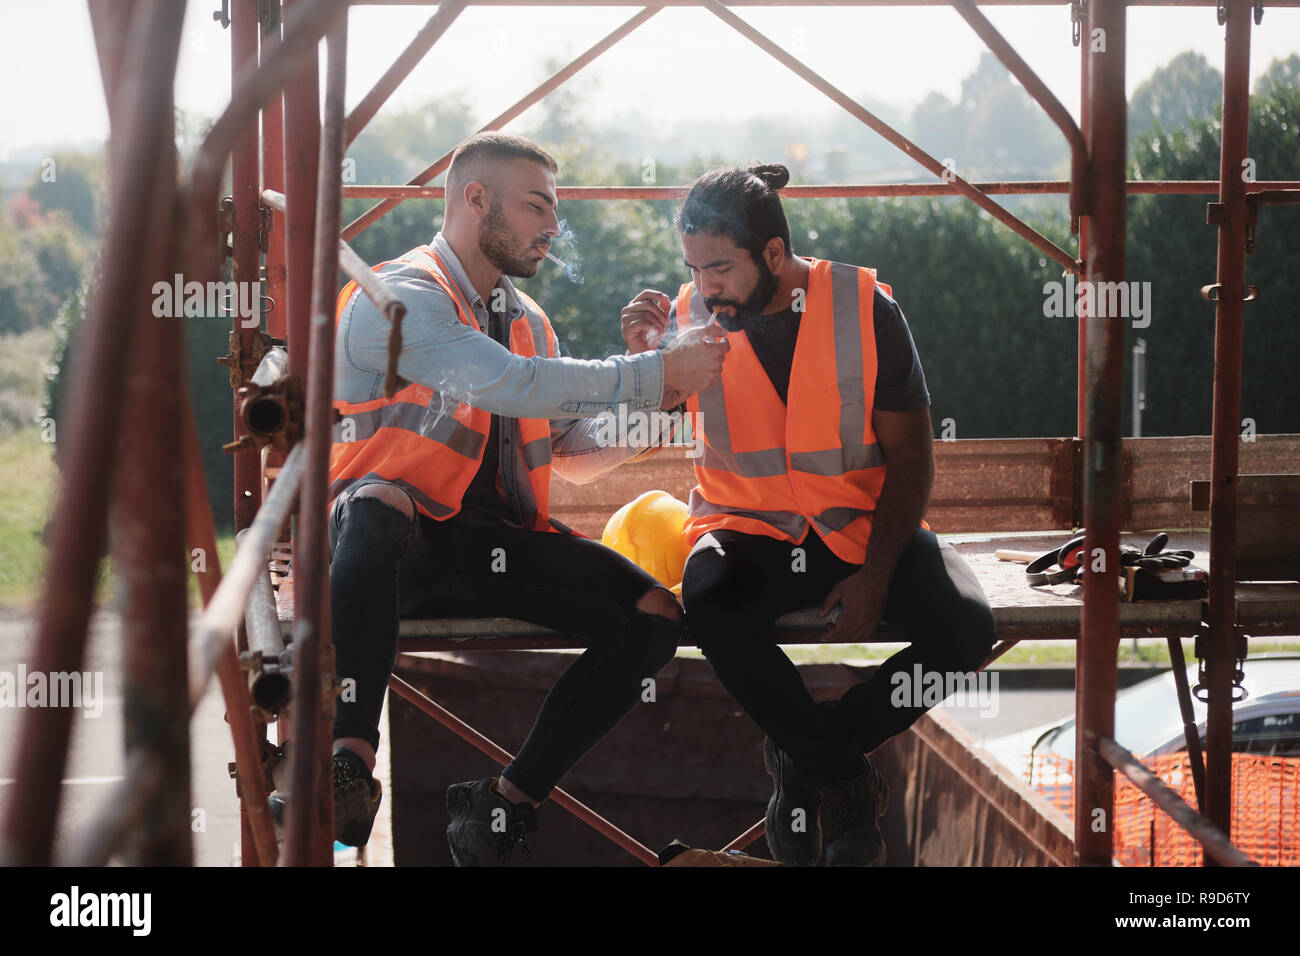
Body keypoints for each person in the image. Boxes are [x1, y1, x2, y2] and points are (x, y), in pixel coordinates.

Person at [270, 132, 729, 865]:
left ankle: (505, 803)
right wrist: (646, 370)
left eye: (555, 210)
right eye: (537, 206)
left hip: (491, 551)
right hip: (387, 554)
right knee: (380, 498)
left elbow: (575, 456)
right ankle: (351, 758)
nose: (553, 227)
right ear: (474, 200)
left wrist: (668, 388)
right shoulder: (400, 297)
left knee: (652, 617)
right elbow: (505, 382)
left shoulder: (528, 320)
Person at [658, 163, 997, 866]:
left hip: (859, 529)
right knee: (710, 610)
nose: (705, 286)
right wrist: (648, 362)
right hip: (746, 531)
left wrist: (876, 575)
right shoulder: (687, 316)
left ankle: (808, 747)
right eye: (693, 268)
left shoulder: (866, 309)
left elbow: (911, 458)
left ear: (774, 255)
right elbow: (643, 415)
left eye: (719, 267)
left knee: (966, 631)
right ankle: (843, 777)